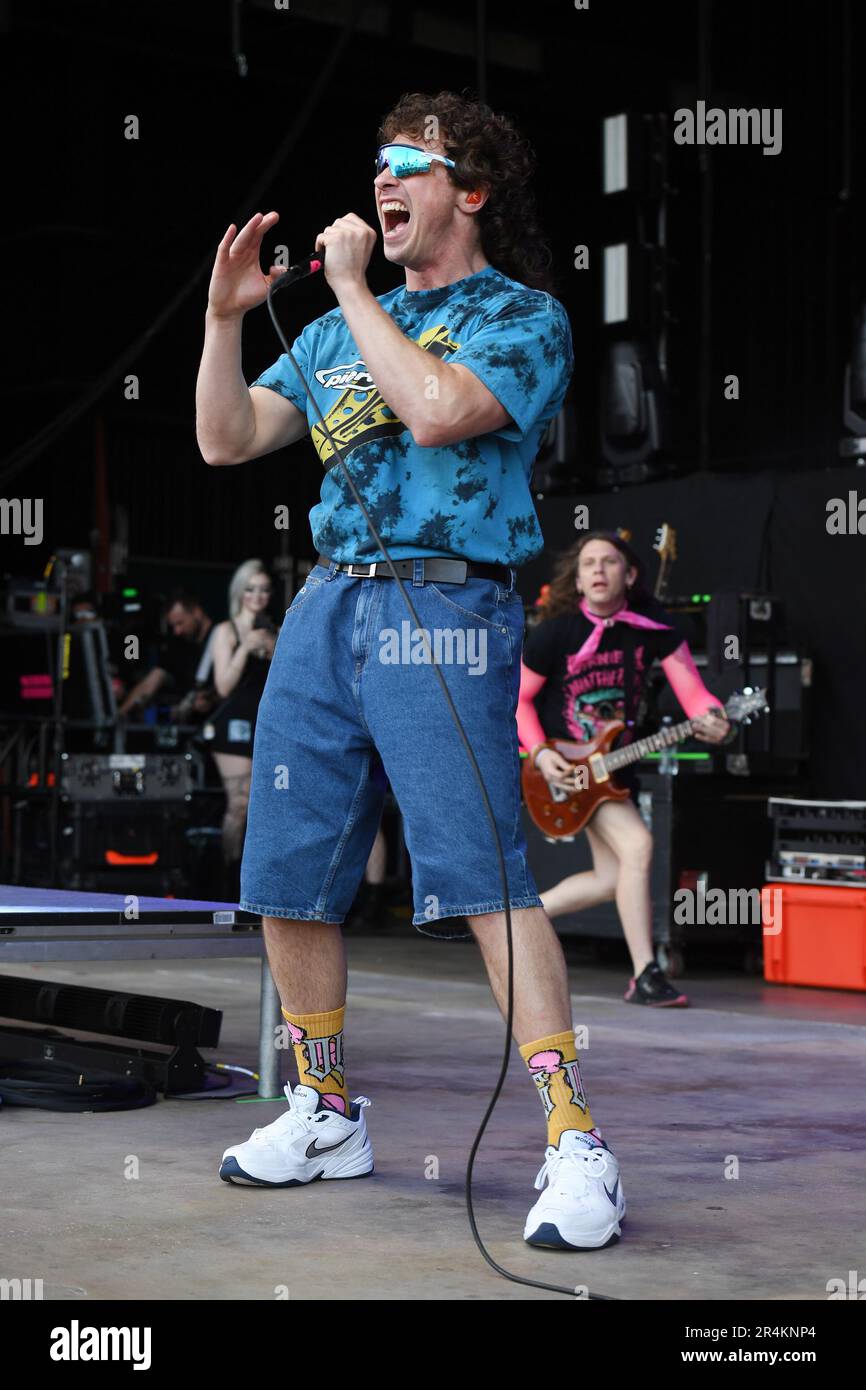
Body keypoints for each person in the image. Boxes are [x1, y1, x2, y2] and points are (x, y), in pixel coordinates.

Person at [196, 90, 625, 1251]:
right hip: (329, 607)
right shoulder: (342, 331)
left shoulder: (519, 316)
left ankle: (573, 1141)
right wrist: (226, 320)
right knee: (286, 871)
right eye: (374, 164)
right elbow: (225, 439)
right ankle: (324, 1106)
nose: (380, 182)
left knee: (484, 877)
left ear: (468, 190)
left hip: (442, 605)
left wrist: (340, 287)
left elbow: (437, 411)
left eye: (408, 165)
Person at [518, 531, 732, 1006]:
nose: (597, 570)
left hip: (616, 771)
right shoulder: (555, 633)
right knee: (639, 844)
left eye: (609, 562)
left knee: (612, 878)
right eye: (588, 563)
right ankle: (645, 974)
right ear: (576, 579)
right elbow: (519, 701)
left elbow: (693, 692)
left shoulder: (653, 627)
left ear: (629, 574)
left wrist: (714, 716)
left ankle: (519, 922)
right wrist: (540, 754)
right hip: (567, 772)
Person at [199, 559, 277, 901]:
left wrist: (271, 647)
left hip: (266, 724)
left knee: (264, 806)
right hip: (232, 725)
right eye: (251, 589)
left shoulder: (275, 631)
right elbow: (223, 686)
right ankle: (227, 879)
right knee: (239, 804)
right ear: (239, 592)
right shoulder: (225, 631)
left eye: (263, 589)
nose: (257, 596)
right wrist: (246, 647)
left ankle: (256, 881)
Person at [118, 589, 215, 721]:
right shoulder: (178, 644)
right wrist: (121, 713)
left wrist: (213, 699)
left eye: (180, 623)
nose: (177, 631)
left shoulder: (223, 637)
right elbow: (151, 681)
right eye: (173, 626)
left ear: (197, 613)